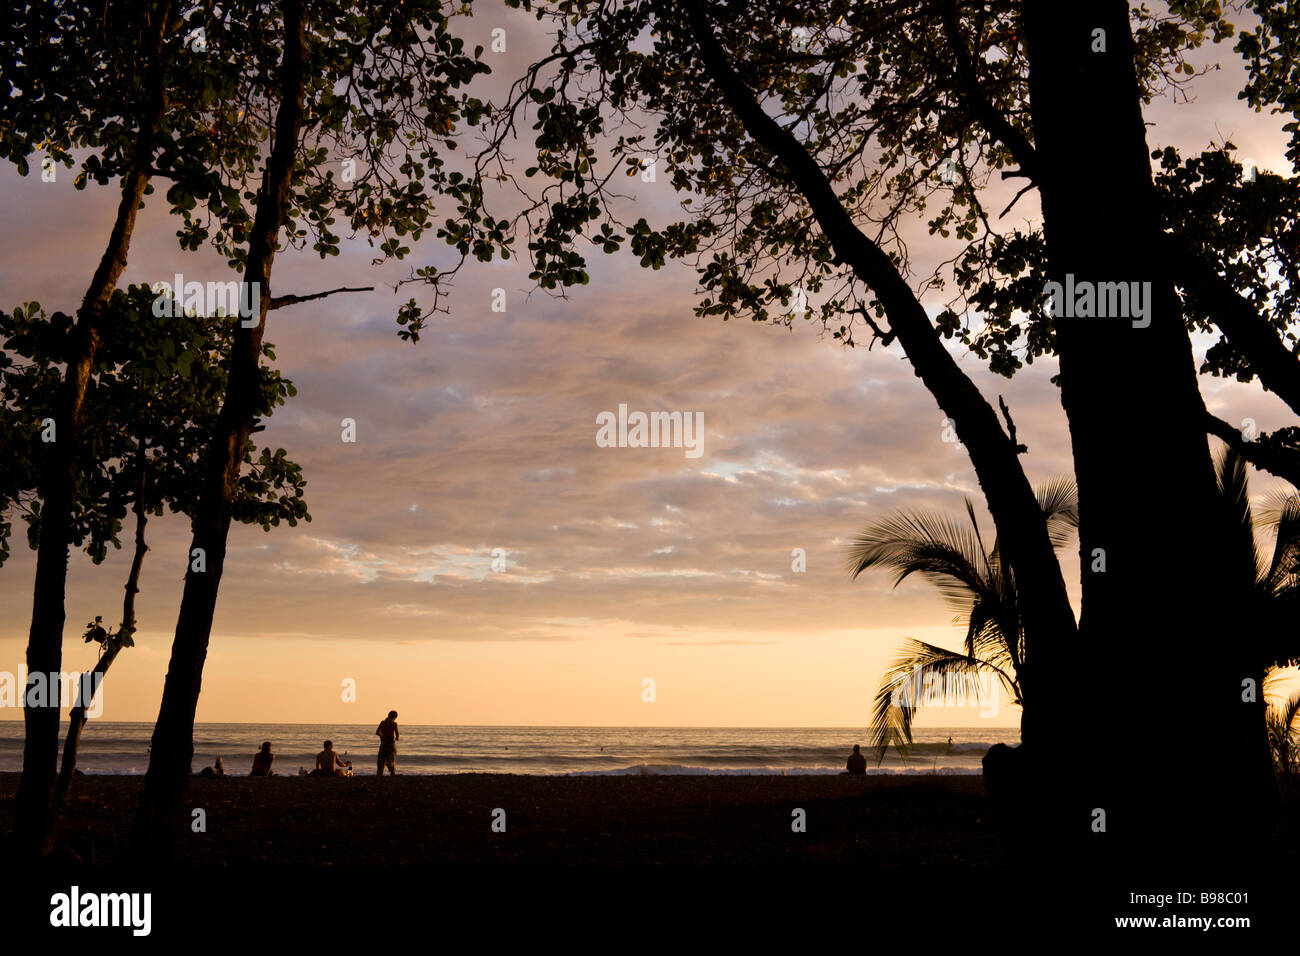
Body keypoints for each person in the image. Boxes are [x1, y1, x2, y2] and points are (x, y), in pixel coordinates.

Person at [376, 710, 399, 776]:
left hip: (383, 743)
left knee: (381, 760)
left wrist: (382, 736)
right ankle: (392, 773)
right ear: (395, 717)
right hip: (391, 744)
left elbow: (377, 732)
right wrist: (396, 738)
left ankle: (380, 774)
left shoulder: (382, 723)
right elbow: (397, 734)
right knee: (391, 759)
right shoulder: (394, 724)